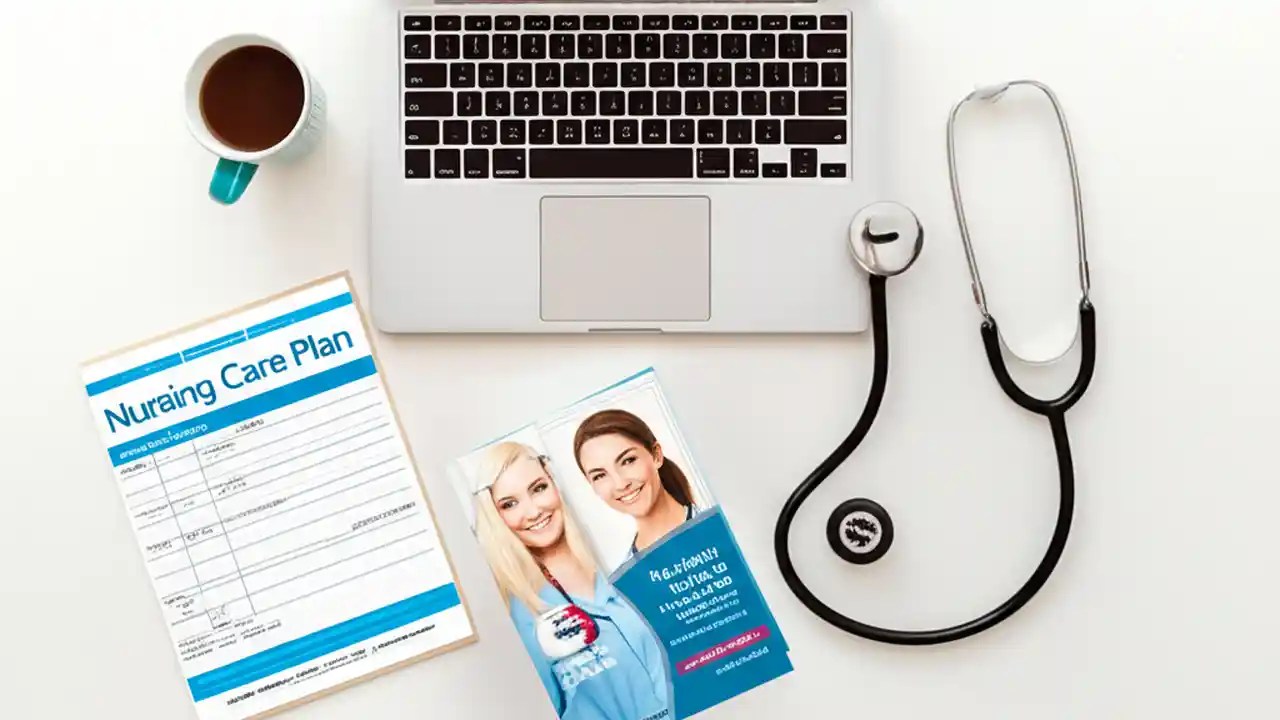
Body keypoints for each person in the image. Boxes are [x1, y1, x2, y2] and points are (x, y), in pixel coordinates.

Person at [469, 441, 670, 720]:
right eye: (509, 504)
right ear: (496, 517)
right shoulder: (520, 615)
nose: (533, 511)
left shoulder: (618, 561)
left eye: (538, 488)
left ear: (554, 483)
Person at [573, 409, 699, 558]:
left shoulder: (722, 523)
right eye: (600, 475)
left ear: (656, 455)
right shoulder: (628, 578)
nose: (620, 484)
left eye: (628, 461)